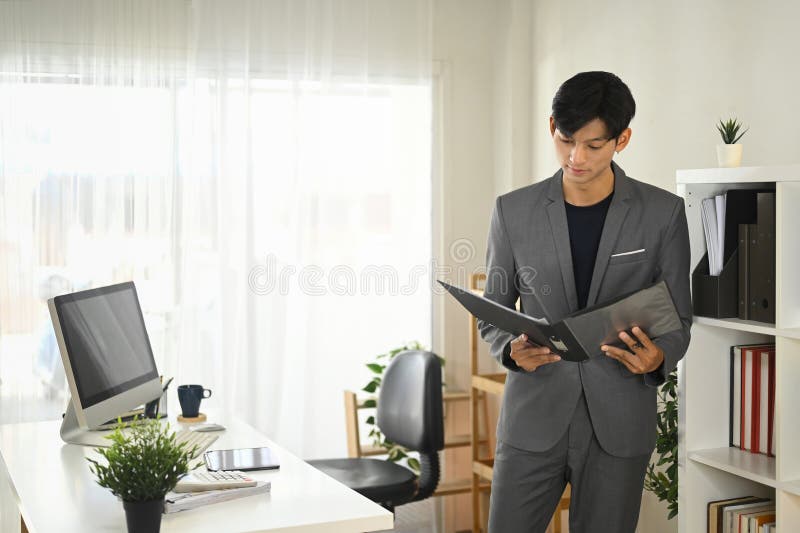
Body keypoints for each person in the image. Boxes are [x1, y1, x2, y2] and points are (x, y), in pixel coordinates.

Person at [478, 71, 692, 533]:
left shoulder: (663, 213)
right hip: (532, 420)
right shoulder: (512, 211)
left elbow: (678, 320)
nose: (576, 157)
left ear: (623, 139)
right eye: (565, 140)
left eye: (594, 146)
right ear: (551, 125)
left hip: (619, 420)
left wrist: (659, 357)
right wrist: (510, 350)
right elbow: (492, 312)